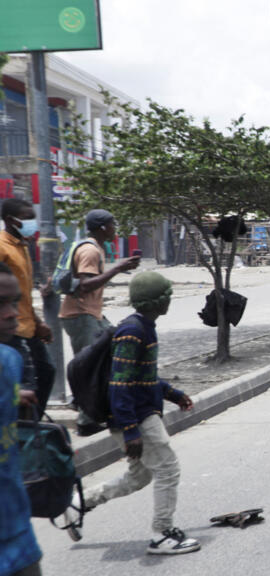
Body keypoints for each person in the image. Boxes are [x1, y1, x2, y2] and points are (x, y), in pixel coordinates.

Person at [68, 271, 200, 554]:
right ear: (156, 302)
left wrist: (173, 394)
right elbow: (120, 383)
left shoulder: (143, 327)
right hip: (136, 417)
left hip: (139, 412)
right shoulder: (133, 332)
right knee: (167, 468)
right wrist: (130, 429)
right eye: (167, 296)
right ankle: (162, 534)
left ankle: (80, 502)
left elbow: (144, 377)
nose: (170, 300)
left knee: (139, 477)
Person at [58, 209, 140, 435]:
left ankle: (85, 405)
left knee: (109, 351)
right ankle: (86, 421)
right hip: (80, 315)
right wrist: (118, 269)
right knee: (89, 366)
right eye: (113, 224)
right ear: (103, 227)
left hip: (91, 314)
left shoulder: (94, 248)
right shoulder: (90, 251)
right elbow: (85, 284)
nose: (115, 229)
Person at [0, 263, 44, 576]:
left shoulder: (9, 361)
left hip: (19, 537)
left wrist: (14, 398)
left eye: (13, 302)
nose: (11, 313)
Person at [0, 199, 55, 413]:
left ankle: (30, 425)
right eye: (27, 218)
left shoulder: (22, 246)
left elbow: (22, 295)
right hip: (11, 329)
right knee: (26, 381)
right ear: (9, 220)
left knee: (45, 372)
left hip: (27, 325)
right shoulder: (3, 247)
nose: (32, 222)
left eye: (33, 217)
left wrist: (38, 322)